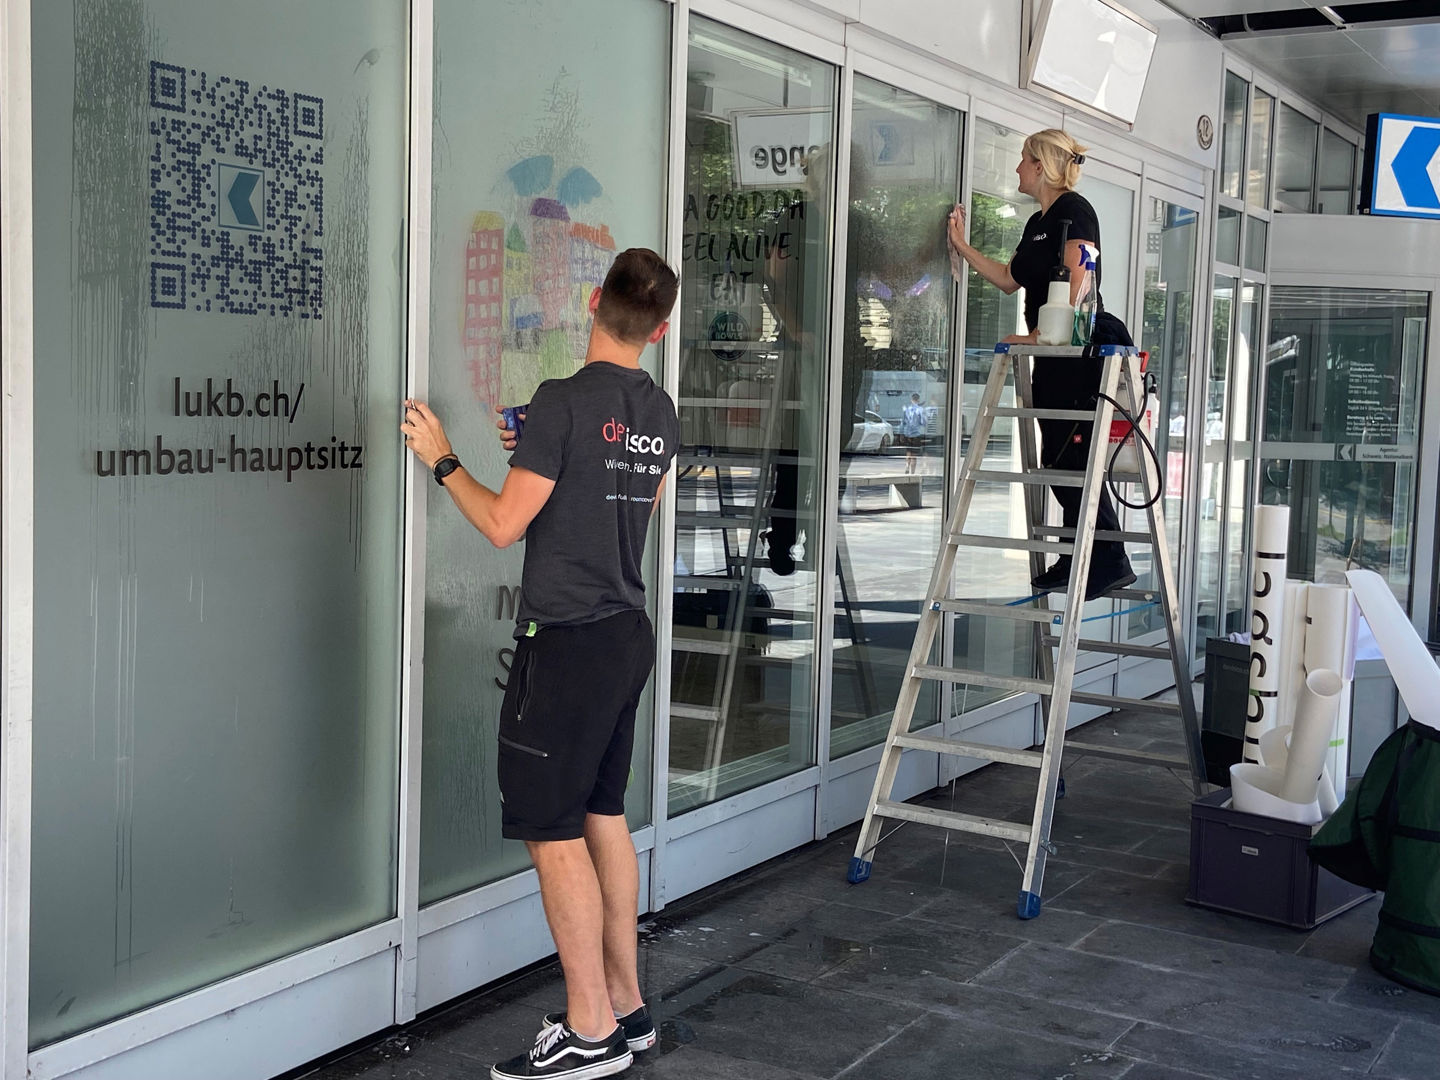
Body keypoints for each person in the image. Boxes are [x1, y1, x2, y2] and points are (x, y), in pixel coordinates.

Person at [401, 248, 680, 1080]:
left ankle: (588, 1032)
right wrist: (543, 449)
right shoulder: (659, 411)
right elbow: (638, 499)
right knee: (602, 817)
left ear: (592, 301)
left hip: (565, 645)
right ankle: (627, 1012)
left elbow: (500, 526)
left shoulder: (561, 402)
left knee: (553, 833)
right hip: (626, 635)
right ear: (659, 329)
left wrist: (443, 458)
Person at [945, 128, 1136, 601]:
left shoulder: (1076, 212)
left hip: (1074, 352)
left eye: (1022, 160)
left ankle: (1107, 558)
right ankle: (1078, 557)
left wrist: (1035, 336)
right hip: (1050, 355)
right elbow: (1011, 280)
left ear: (1041, 165)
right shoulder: (1038, 223)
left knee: (1069, 456)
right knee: (1060, 456)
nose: (1016, 169)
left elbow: (1077, 281)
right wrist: (962, 248)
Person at [900, 391, 926, 474]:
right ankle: (912, 472)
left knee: (908, 451)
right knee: (914, 454)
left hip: (908, 433)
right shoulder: (920, 410)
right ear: (918, 400)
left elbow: (903, 422)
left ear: (911, 400)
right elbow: (923, 422)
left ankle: (907, 465)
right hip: (916, 434)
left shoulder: (907, 409)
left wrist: (901, 433)